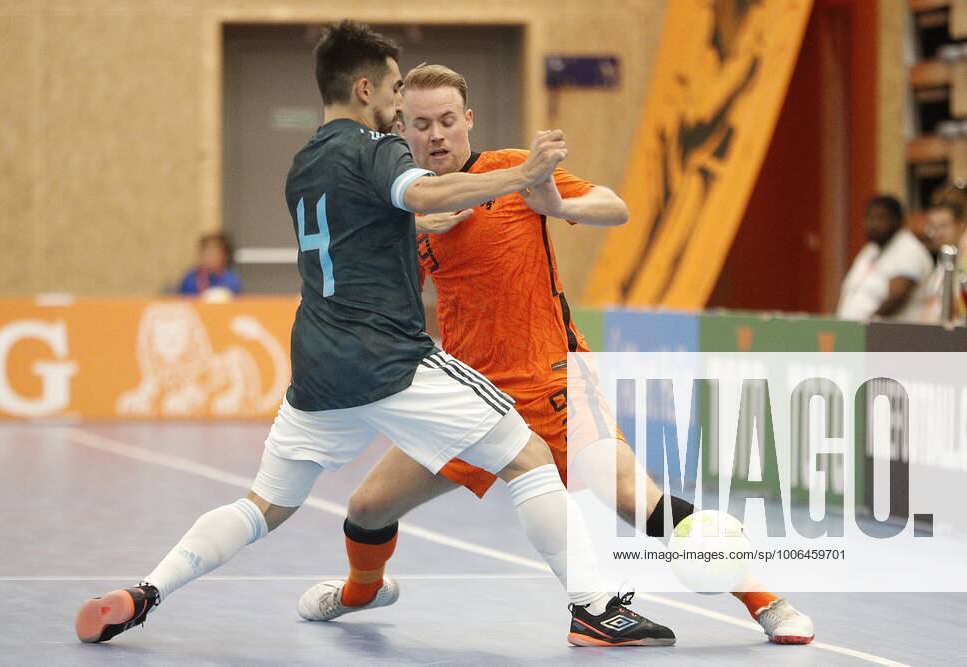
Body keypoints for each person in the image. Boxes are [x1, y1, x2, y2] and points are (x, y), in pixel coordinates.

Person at [74, 21, 675, 648]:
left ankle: (146, 592)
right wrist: (524, 175)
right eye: (392, 89)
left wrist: (421, 221)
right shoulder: (376, 148)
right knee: (528, 456)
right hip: (389, 357)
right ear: (364, 88)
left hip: (317, 366)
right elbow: (427, 187)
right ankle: (593, 607)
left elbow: (372, 225)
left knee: (261, 508)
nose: (398, 106)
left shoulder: (304, 164)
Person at [297, 63, 814, 645]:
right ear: (402, 130)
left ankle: (766, 602)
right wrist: (412, 231)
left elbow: (614, 206)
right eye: (420, 124)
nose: (436, 135)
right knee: (367, 506)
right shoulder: (404, 203)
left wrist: (553, 201)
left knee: (631, 496)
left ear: (468, 121)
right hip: (468, 396)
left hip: (553, 380)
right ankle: (360, 591)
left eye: (447, 121)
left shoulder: (511, 173)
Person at [837, 195, 933, 322]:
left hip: (886, 334)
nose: (873, 224)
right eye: (869, 217)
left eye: (881, 218)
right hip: (853, 331)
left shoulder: (909, 249)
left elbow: (897, 296)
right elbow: (850, 290)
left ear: (898, 220)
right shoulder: (870, 249)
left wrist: (867, 324)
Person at [921, 190, 967, 323]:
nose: (937, 234)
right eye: (933, 228)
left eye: (944, 226)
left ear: (962, 224)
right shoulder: (944, 258)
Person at [178, 232, 242, 299]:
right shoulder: (190, 278)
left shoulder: (231, 279)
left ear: (224, 256)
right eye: (206, 253)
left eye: (214, 253)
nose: (209, 258)